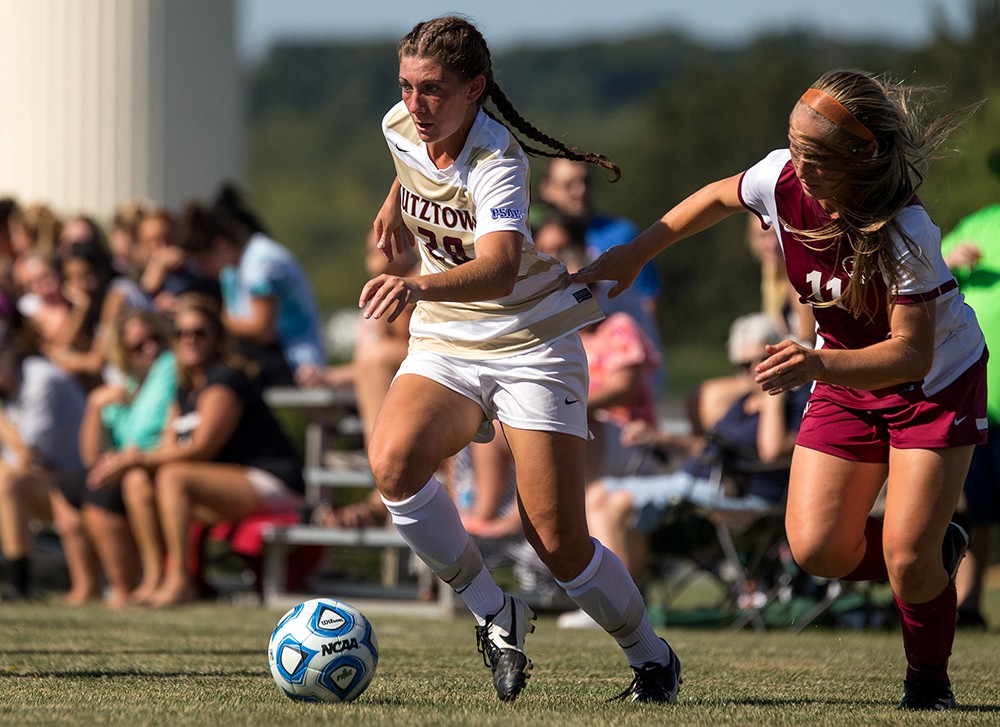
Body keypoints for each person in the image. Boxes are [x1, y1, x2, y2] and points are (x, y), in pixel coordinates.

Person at [572, 69, 985, 710]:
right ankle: (931, 558)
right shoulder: (782, 178)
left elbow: (911, 352)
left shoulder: (907, 233)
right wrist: (637, 253)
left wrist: (815, 366)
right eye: (791, 146)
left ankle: (928, 683)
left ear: (860, 156)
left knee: (907, 557)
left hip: (934, 382)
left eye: (812, 156)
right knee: (817, 549)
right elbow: (715, 197)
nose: (796, 166)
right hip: (846, 374)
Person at [362, 16, 681, 704]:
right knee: (392, 462)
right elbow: (410, 159)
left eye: (434, 90)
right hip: (449, 338)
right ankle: (494, 612)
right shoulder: (401, 123)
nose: (417, 105)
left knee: (558, 544)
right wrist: (394, 205)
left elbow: (501, 268)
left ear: (475, 88)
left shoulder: (498, 157)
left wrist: (414, 282)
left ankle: (651, 658)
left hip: (532, 342)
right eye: (408, 87)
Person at [566, 313, 806, 602]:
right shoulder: (743, 404)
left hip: (736, 492)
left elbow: (769, 450)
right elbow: (707, 448)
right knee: (598, 495)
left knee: (613, 502)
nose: (748, 373)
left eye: (756, 363)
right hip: (698, 482)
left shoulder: (790, 401)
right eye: (741, 366)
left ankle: (614, 604)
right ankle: (621, 601)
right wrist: (659, 438)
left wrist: (774, 395)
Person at [86, 295, 307, 608]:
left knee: (172, 476)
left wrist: (132, 456)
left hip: (274, 481)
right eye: (180, 333)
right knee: (137, 480)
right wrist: (132, 463)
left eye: (199, 332)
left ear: (217, 337)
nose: (189, 340)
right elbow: (169, 446)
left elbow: (201, 449)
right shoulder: (184, 387)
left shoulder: (225, 381)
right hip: (229, 485)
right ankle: (153, 578)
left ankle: (180, 579)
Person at [79, 309, 177, 607]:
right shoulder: (129, 387)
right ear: (124, 353)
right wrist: (95, 405)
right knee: (85, 487)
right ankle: (108, 586)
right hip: (134, 465)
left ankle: (151, 578)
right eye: (138, 346)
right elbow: (90, 456)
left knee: (131, 480)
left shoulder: (170, 368)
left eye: (156, 339)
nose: (151, 348)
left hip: (160, 464)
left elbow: (170, 435)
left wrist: (129, 459)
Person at [184, 185, 325, 388]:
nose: (202, 272)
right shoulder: (233, 271)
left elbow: (262, 330)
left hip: (295, 362)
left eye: (203, 263)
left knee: (223, 372)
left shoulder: (261, 261)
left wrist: (213, 319)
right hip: (272, 355)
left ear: (220, 244)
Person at [940, 155, 1000, 629]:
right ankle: (969, 606)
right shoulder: (978, 223)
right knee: (976, 508)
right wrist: (950, 259)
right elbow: (924, 277)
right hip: (979, 394)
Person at [0, 313, 93, 602]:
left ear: (12, 348)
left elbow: (29, 457)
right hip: (47, 483)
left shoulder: (41, 379)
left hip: (79, 486)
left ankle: (21, 585)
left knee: (9, 479)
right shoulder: (9, 388)